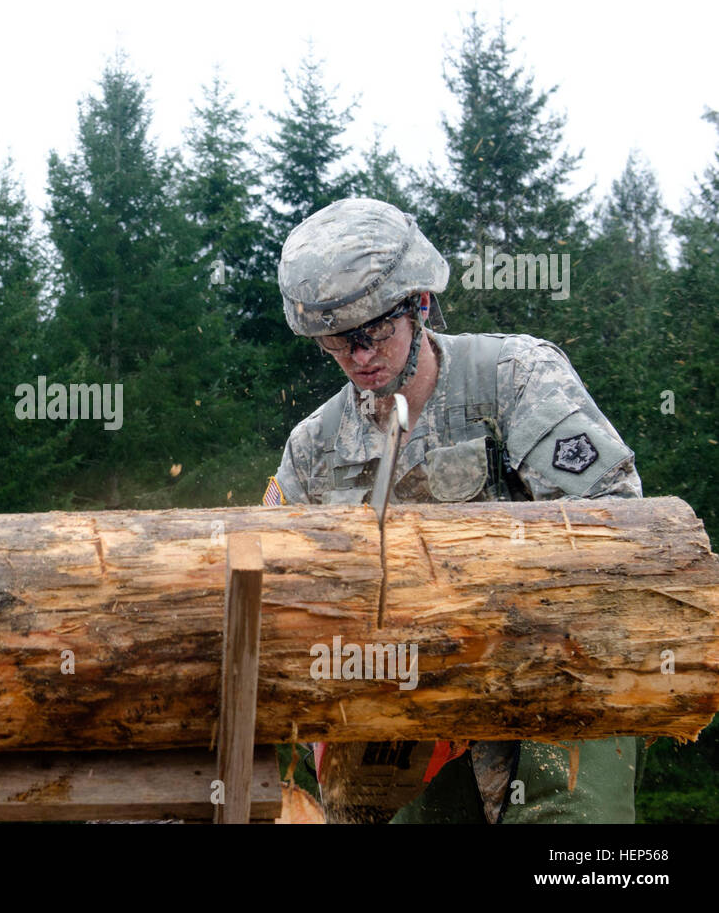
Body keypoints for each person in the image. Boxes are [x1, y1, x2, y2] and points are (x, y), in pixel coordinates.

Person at [263, 197, 646, 823]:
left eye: (374, 332)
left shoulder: (514, 377)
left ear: (418, 305)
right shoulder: (314, 448)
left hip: (556, 676)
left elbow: (619, 532)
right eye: (338, 341)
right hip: (412, 713)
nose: (360, 356)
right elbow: (284, 597)